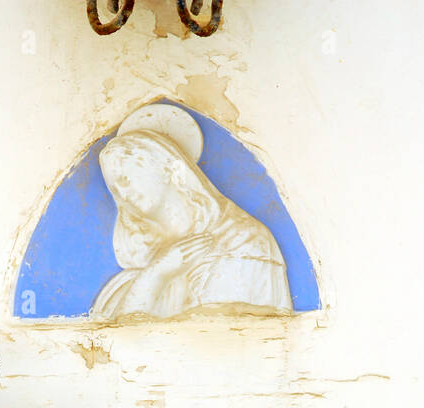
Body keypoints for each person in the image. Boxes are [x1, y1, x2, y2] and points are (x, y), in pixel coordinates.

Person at [92, 105, 292, 318]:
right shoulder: (130, 279)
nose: (122, 194)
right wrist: (156, 274)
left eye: (125, 180)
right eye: (114, 188)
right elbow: (122, 340)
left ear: (168, 168)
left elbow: (222, 338)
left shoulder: (244, 241)